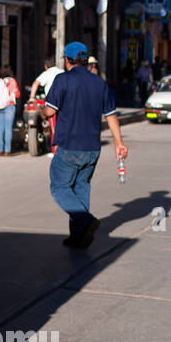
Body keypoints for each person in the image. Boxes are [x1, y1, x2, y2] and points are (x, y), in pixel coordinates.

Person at [41, 42, 128, 248]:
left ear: (67, 60)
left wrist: (42, 112)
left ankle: (86, 221)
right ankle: (78, 237)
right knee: (81, 188)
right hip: (92, 148)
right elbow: (111, 116)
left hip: (70, 145)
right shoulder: (99, 83)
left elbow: (50, 111)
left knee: (60, 187)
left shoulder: (62, 80)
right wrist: (119, 143)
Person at [0, 66, 20, 156]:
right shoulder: (11, 81)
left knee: (0, 128)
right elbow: (17, 94)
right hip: (9, 105)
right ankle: (7, 150)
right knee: (8, 129)